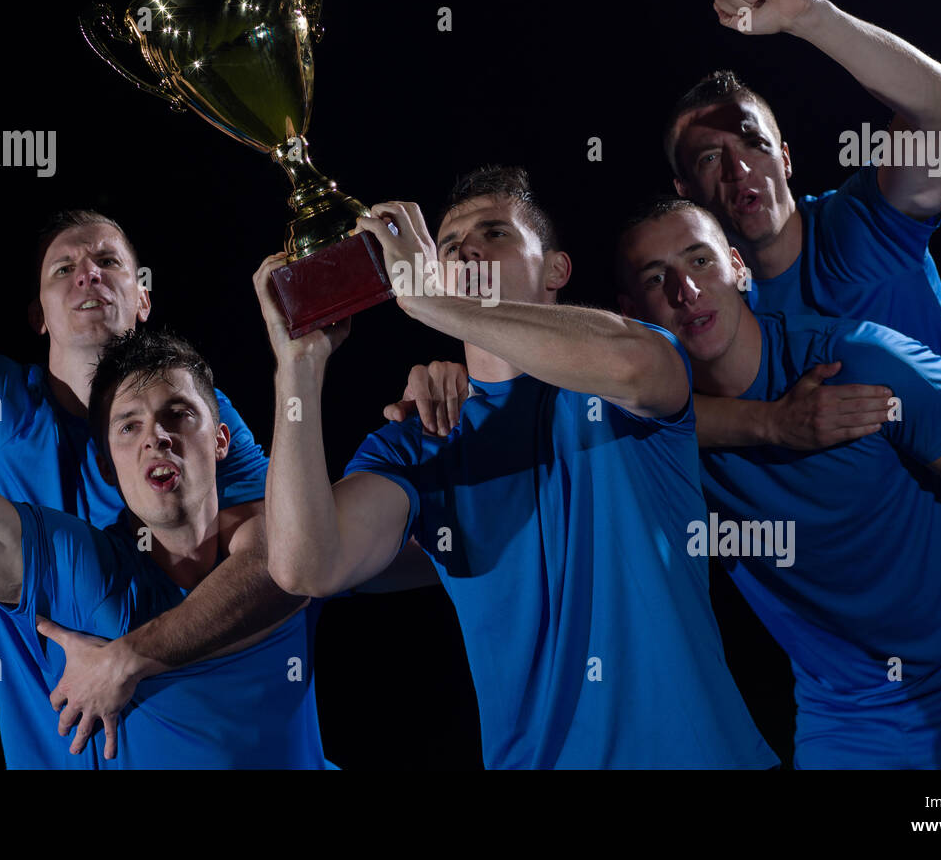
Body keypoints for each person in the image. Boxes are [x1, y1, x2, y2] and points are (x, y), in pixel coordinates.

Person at [659, 0, 941, 766]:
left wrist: (809, 15)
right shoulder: (705, 321)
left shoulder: (859, 225)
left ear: (786, 156)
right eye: (707, 160)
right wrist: (765, 422)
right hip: (884, 643)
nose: (737, 166)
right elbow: (633, 404)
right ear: (685, 193)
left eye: (749, 140)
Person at [0, 47, 295, 764]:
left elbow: (282, 559)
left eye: (110, 261)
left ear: (143, 296)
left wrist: (128, 657)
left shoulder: (195, 417)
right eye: (64, 268)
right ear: (38, 313)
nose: (89, 276)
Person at [257, 166, 777, 769]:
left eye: (496, 233)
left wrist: (431, 301)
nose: (467, 249)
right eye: (448, 246)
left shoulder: (628, 366)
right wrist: (297, 365)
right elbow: (304, 565)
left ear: (556, 269)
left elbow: (634, 366)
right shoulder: (417, 441)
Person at [614, 198, 941, 768]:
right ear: (629, 313)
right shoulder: (648, 435)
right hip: (841, 715)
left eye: (699, 261)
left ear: (739, 268)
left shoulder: (858, 361)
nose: (685, 291)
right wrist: (768, 423)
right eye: (655, 278)